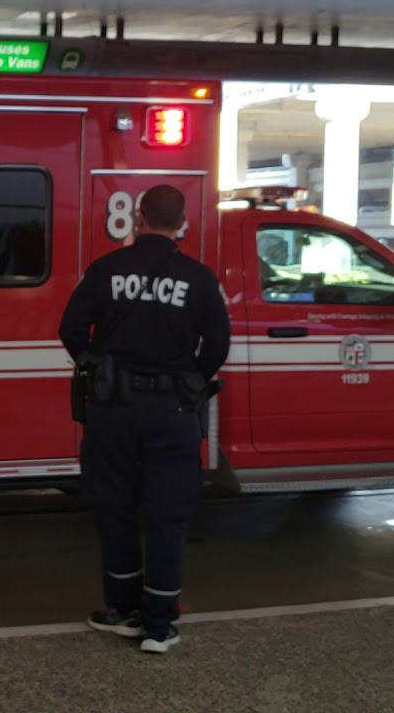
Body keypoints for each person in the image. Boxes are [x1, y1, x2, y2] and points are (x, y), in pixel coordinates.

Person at [58, 184, 231, 654]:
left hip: (112, 411)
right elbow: (217, 345)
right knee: (166, 515)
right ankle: (158, 625)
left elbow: (70, 329)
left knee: (113, 507)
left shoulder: (105, 269)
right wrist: (189, 379)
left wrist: (96, 366)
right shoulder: (198, 278)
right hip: (173, 412)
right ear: (181, 223)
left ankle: (120, 609)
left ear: (138, 217)